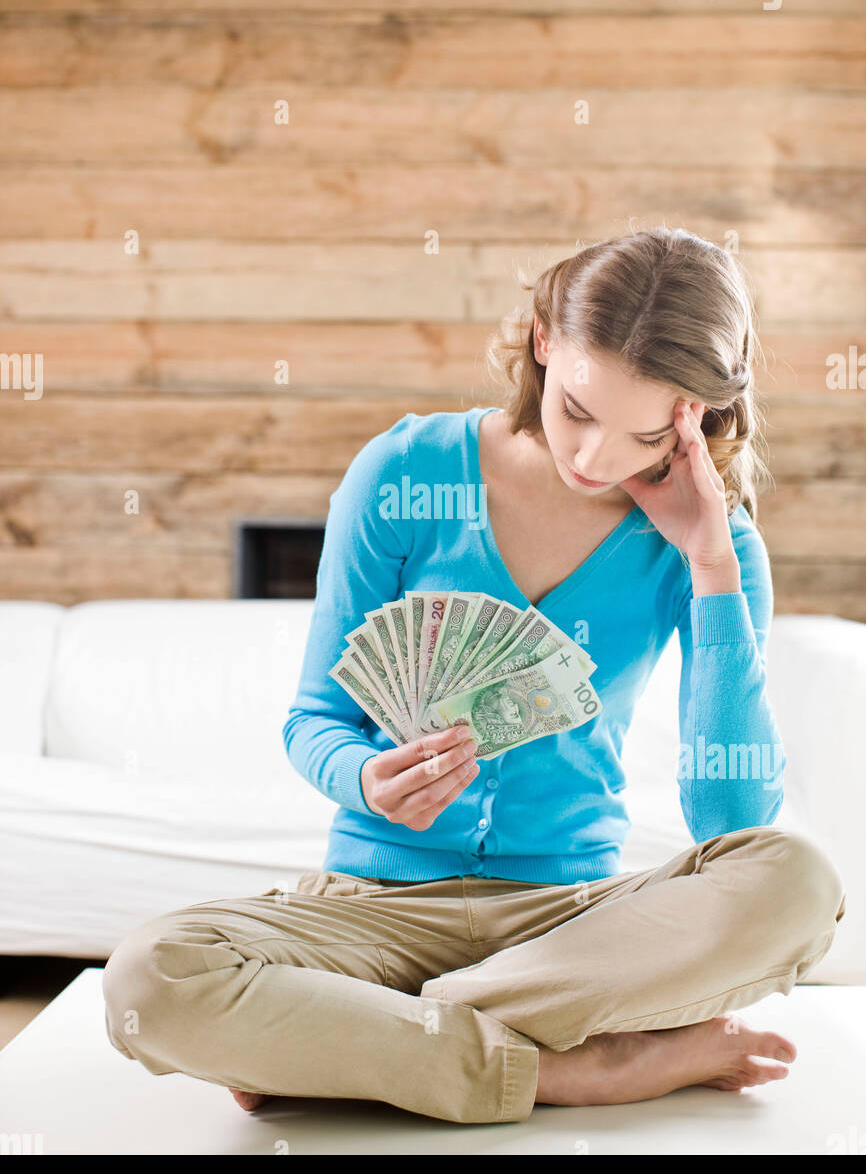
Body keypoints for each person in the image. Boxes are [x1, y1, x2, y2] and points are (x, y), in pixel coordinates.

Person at [102, 226, 846, 1125]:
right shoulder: (403, 473)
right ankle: (574, 1068)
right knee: (150, 976)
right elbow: (314, 720)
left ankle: (371, 1042)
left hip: (572, 929)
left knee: (800, 881)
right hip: (372, 911)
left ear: (693, 414)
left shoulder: (712, 549)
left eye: (645, 433)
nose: (595, 459)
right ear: (544, 340)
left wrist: (711, 566)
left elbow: (732, 824)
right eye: (578, 410)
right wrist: (367, 780)